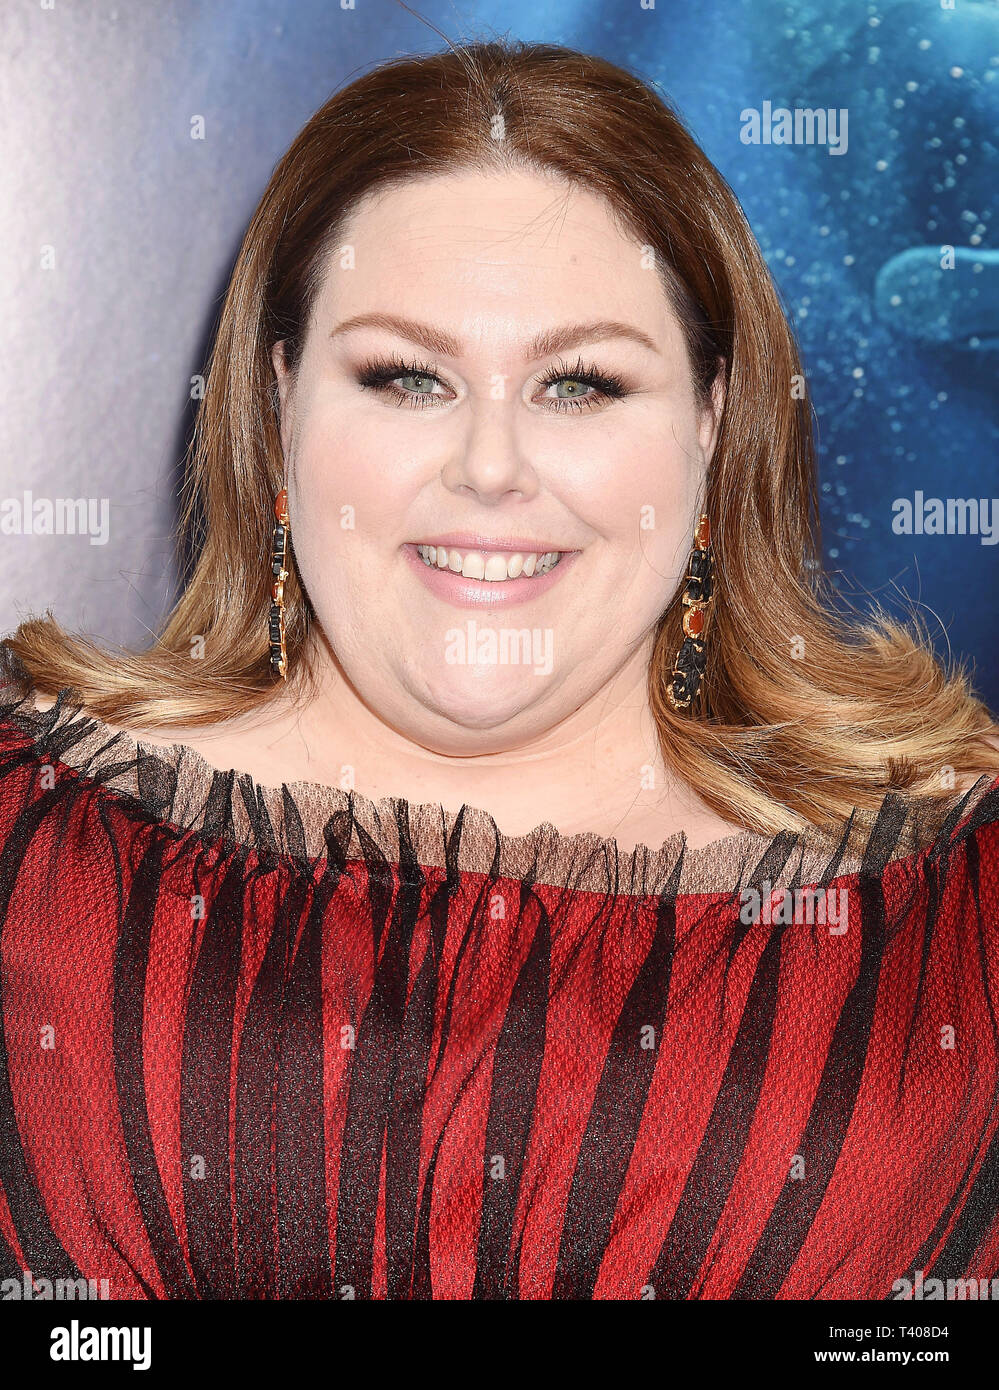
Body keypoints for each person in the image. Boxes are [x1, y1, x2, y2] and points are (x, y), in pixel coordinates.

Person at [1, 39, 997, 1302]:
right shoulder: (27, 841)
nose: (489, 464)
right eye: (407, 375)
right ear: (277, 404)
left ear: (712, 425)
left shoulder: (957, 910)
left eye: (579, 384)